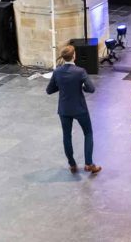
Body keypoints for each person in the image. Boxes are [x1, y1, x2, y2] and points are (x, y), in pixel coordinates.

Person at [46, 45, 100, 174]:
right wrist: (81, 87)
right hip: (80, 108)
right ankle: (89, 164)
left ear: (64, 58)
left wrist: (63, 86)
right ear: (74, 56)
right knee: (88, 133)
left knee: (67, 136)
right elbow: (91, 89)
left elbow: (49, 90)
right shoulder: (80, 71)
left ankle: (72, 164)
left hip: (64, 109)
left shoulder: (57, 71)